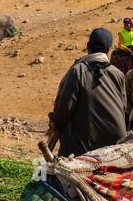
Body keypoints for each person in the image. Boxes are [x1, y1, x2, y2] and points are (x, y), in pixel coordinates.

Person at [46, 28, 127, 158]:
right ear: (108, 50)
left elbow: (64, 108)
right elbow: (123, 107)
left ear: (88, 47)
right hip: (116, 144)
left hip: (85, 147)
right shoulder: (118, 74)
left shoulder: (78, 70)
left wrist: (54, 123)